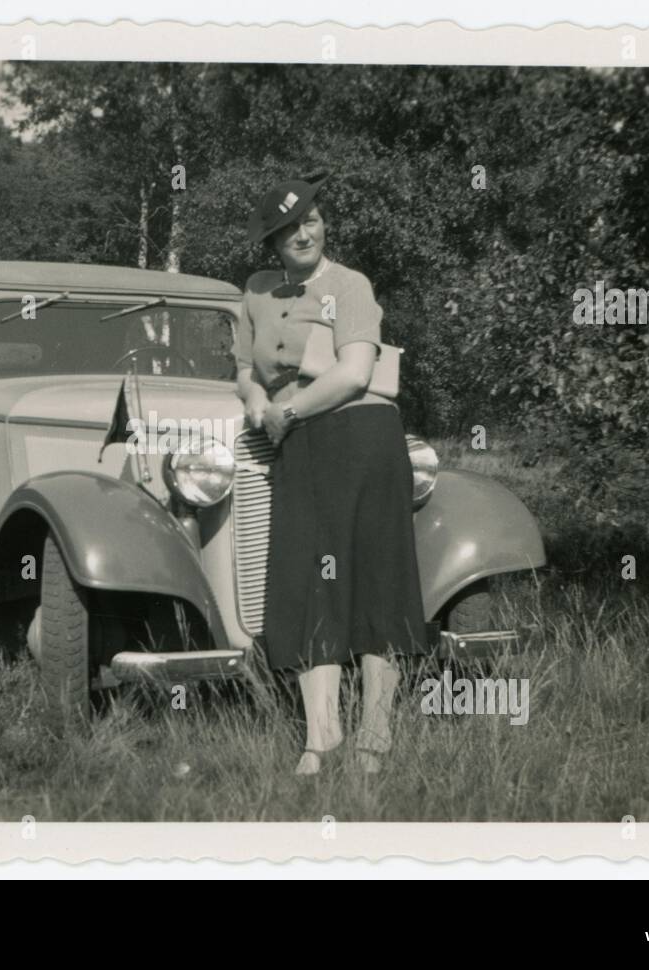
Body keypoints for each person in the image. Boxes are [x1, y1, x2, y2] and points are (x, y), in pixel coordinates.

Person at [234, 172, 430, 776]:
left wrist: (285, 409)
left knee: (376, 581)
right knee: (308, 583)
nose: (303, 234)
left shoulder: (351, 285)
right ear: (272, 242)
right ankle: (322, 739)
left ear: (324, 224)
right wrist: (256, 404)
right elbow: (243, 369)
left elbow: (353, 373)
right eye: (288, 229)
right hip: (301, 445)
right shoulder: (256, 292)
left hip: (362, 439)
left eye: (311, 221)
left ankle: (375, 736)